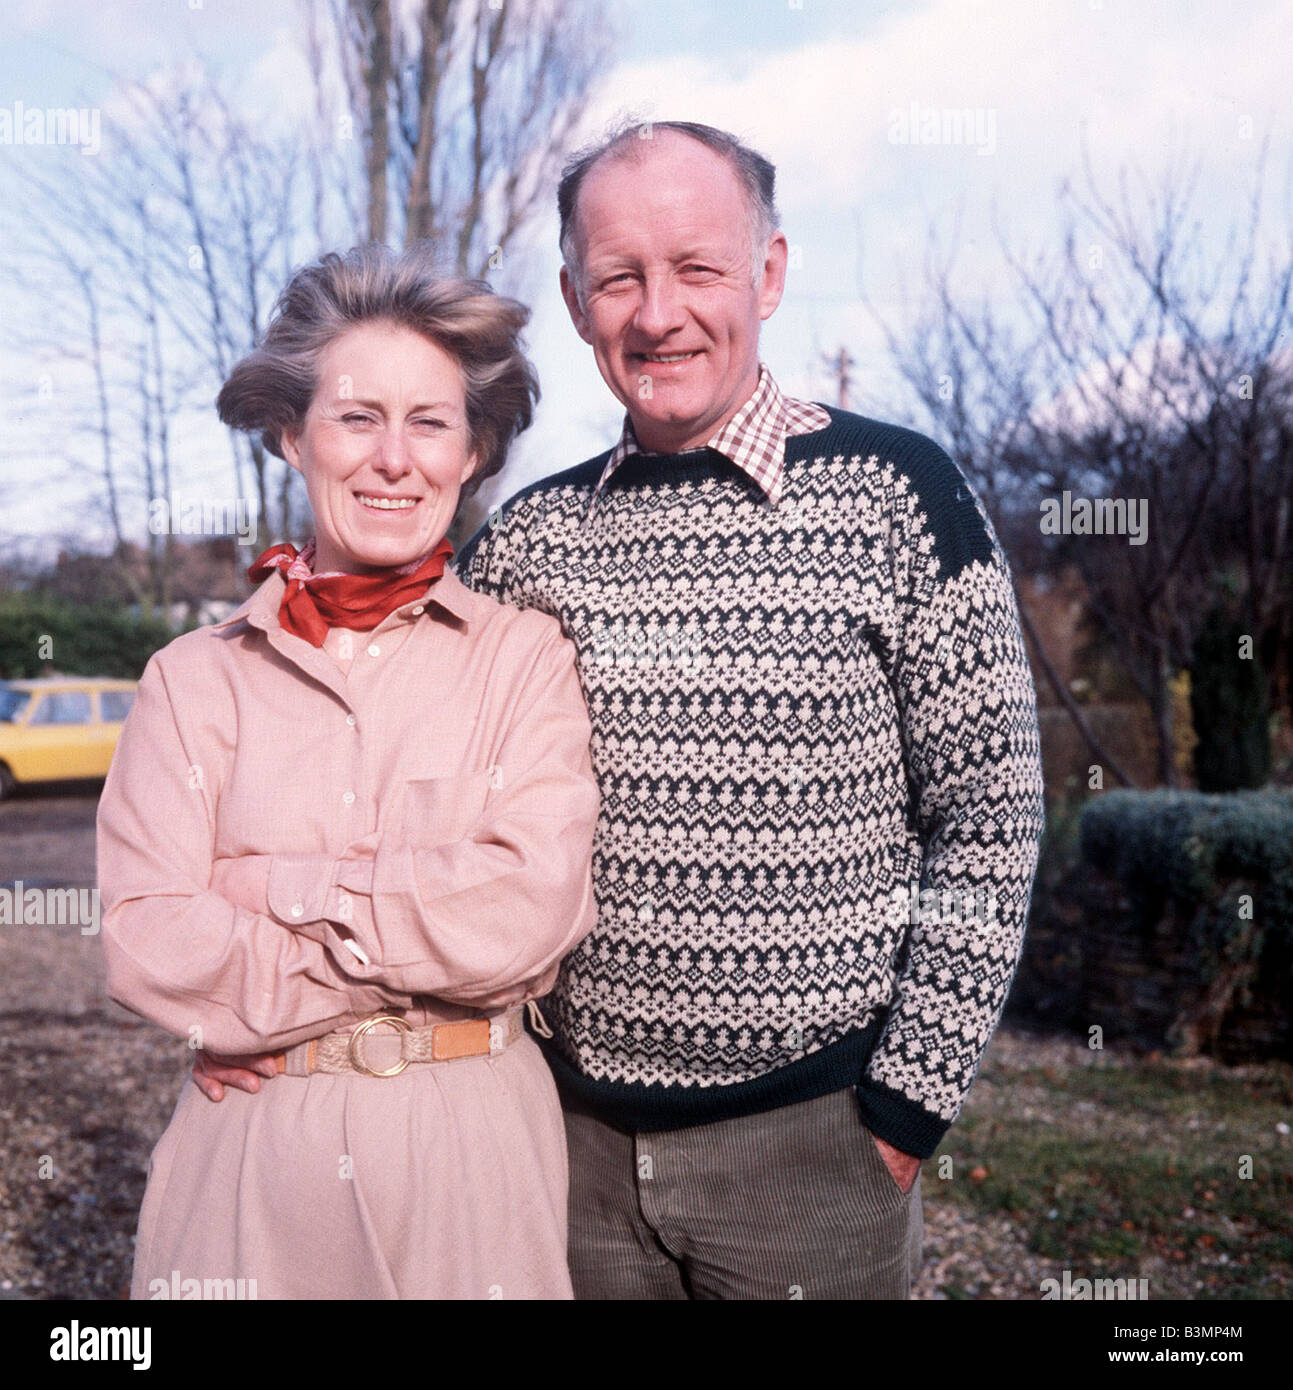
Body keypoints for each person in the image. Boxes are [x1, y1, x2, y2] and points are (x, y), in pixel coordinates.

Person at [200, 120, 1047, 1301]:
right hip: (562, 1148)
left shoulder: (901, 495)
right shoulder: (528, 540)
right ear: (574, 296)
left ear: (770, 271)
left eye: (697, 268)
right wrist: (248, 1005)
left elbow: (991, 816)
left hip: (812, 1153)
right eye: (619, 278)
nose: (659, 314)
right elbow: (385, 797)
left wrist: (908, 1102)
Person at [97, 244, 600, 1300]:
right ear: (293, 433)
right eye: (356, 416)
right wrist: (422, 928)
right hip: (252, 1149)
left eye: (429, 423)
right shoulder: (191, 681)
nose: (393, 459)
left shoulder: (523, 658)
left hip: (474, 1149)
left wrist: (272, 893)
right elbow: (149, 939)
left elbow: (527, 910)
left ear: (472, 453)